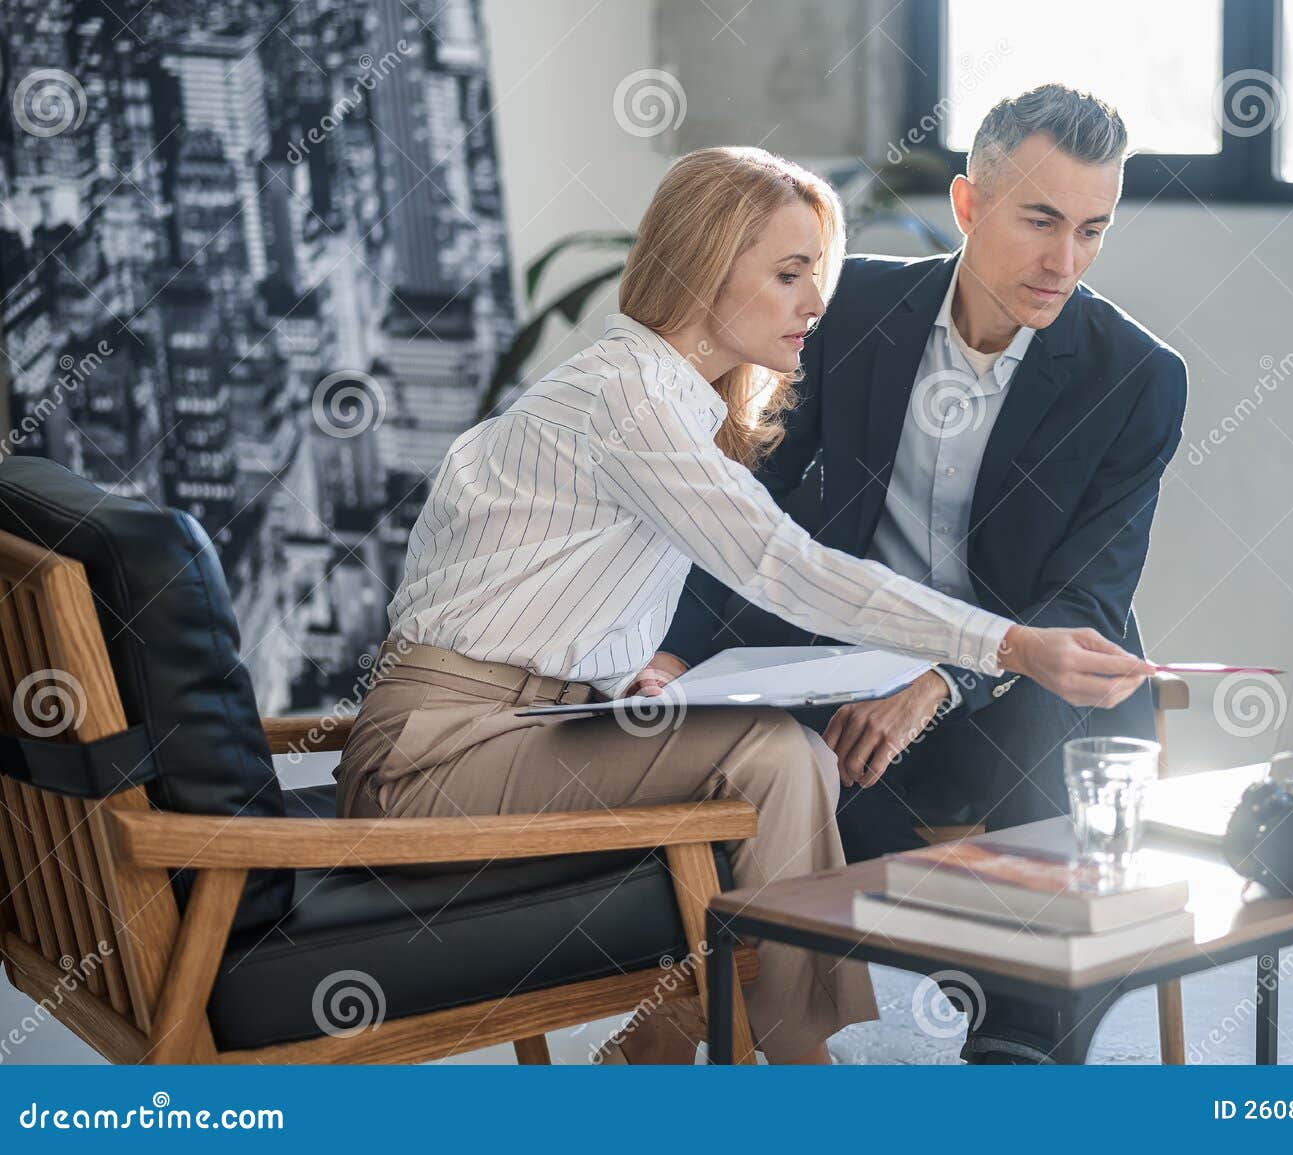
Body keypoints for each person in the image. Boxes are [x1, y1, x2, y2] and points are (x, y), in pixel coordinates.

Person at [334, 144, 1153, 1065]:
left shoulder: (670, 401)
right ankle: (796, 1065)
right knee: (772, 755)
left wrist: (660, 665)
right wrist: (1005, 643)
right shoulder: (629, 399)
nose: (817, 301)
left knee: (776, 755)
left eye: (820, 272)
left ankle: (677, 1049)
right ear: (700, 268)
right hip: (439, 756)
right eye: (789, 273)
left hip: (534, 732)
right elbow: (780, 564)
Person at [658, 88, 1188, 1062]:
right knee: (776, 745)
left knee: (1031, 708)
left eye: (1090, 230)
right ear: (968, 205)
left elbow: (1087, 595)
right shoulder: (851, 307)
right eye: (1038, 220)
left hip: (1027, 682)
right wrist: (673, 647)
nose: (1062, 262)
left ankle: (1018, 1052)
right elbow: (753, 503)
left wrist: (943, 677)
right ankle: (996, 973)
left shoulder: (1138, 376)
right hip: (853, 668)